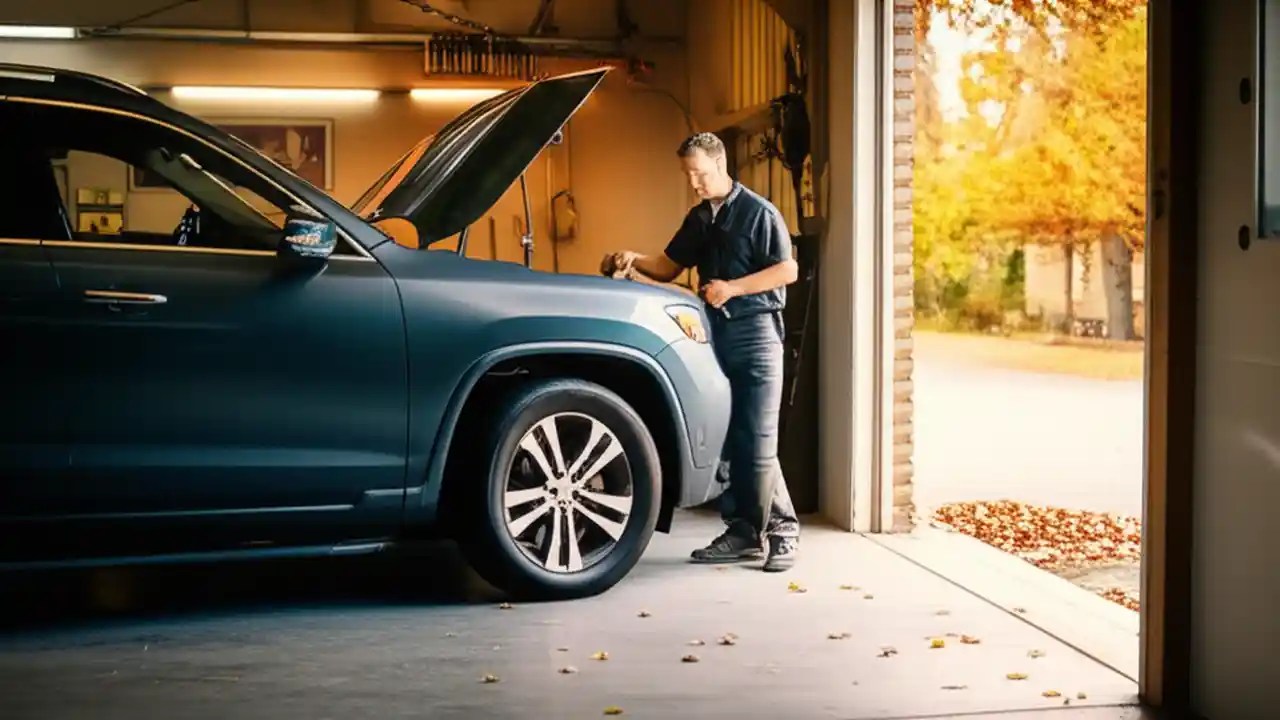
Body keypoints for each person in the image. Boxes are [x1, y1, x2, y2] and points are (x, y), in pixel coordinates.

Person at [600, 132, 801, 572]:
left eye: (700, 173)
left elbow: (788, 269)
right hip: (714, 337)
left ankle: (783, 532)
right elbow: (668, 266)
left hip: (757, 334)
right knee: (733, 436)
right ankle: (744, 533)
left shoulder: (758, 212)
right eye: (688, 175)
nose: (694, 181)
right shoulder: (699, 219)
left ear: (720, 163)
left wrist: (732, 288)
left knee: (759, 439)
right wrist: (631, 259)